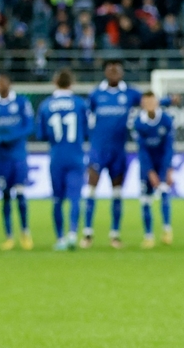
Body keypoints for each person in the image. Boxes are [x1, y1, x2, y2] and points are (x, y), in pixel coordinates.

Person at [82, 60, 143, 249]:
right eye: (110, 68)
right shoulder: (96, 94)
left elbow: (149, 103)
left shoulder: (130, 93)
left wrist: (168, 101)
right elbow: (86, 115)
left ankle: (115, 235)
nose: (114, 71)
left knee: (117, 193)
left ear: (122, 72)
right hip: (98, 150)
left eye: (117, 68)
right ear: (105, 72)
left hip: (118, 151)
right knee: (91, 190)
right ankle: (87, 234)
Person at [37, 69, 89, 251]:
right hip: (76, 156)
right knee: (75, 198)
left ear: (55, 82)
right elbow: (87, 130)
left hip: (57, 156)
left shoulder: (46, 105)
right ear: (71, 83)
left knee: (57, 199)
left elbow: (41, 134)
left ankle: (60, 238)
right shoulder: (80, 103)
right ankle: (73, 234)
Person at [0, 73, 34, 251]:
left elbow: (29, 126)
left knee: (20, 194)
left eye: (2, 83)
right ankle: (9, 236)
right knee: (5, 196)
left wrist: (11, 137)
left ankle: (25, 233)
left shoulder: (20, 102)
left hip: (18, 156)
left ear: (9, 84)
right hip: (1, 157)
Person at [131, 91, 175, 249]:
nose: (149, 105)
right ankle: (148, 235)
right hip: (147, 164)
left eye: (152, 102)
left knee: (164, 192)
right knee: (145, 200)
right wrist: (149, 172)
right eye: (146, 102)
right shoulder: (138, 122)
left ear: (157, 103)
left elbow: (169, 147)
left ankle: (167, 230)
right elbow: (142, 150)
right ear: (142, 104)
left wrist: (168, 168)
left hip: (162, 162)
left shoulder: (166, 119)